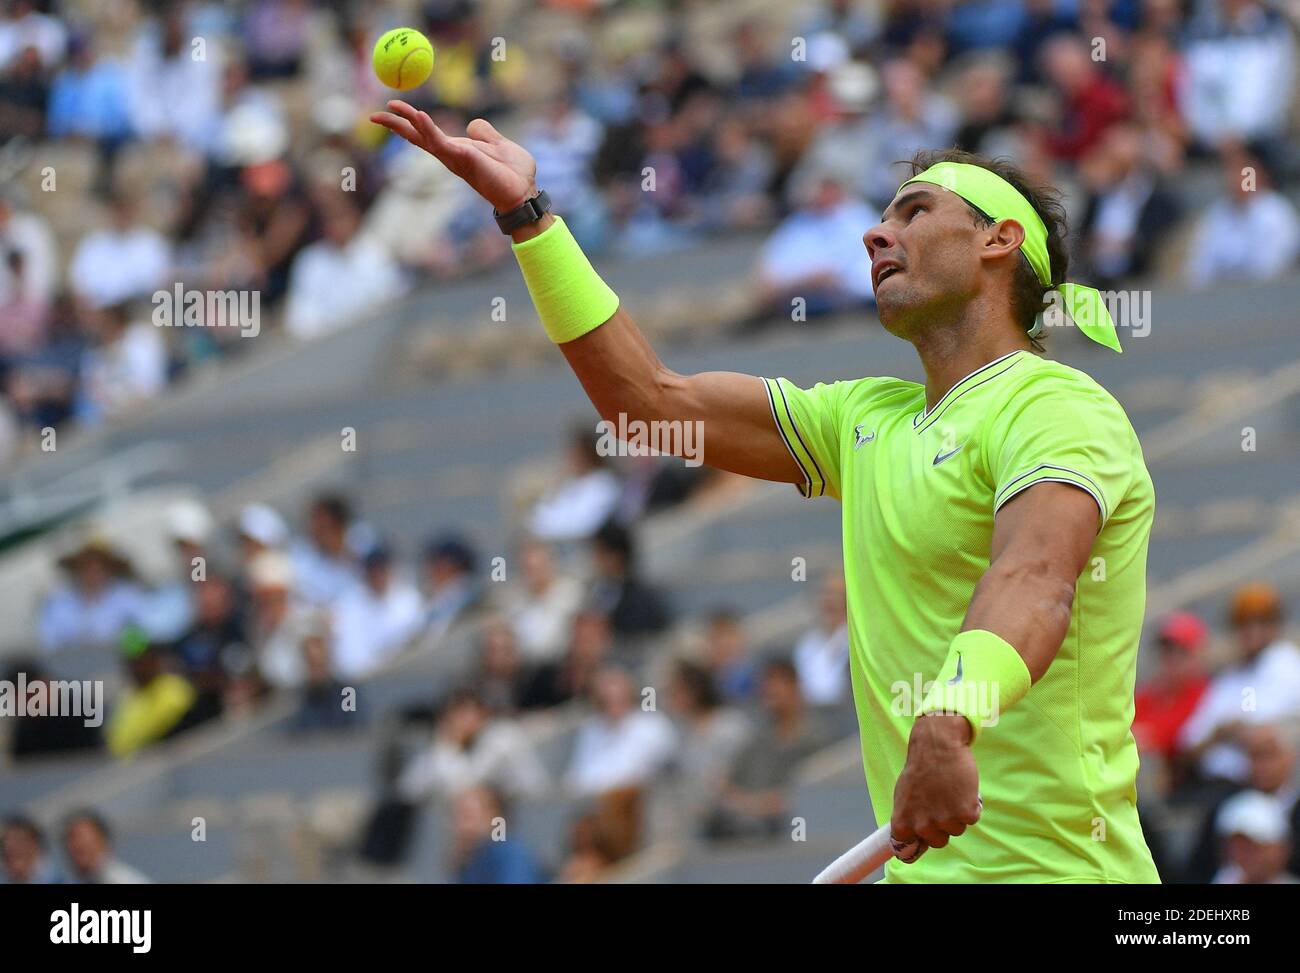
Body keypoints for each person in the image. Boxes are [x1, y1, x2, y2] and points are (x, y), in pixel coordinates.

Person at [372, 100, 1159, 882]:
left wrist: (948, 718)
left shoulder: (1056, 404)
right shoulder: (863, 419)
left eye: (914, 212)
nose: (875, 233)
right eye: (883, 215)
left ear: (999, 239)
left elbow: (1034, 577)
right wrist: (528, 216)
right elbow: (649, 407)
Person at [1177, 584, 1300, 787]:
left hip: (1264, 787)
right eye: (1243, 623)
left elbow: (1259, 728)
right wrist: (1221, 732)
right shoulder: (1230, 677)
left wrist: (1222, 732)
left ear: (1275, 624)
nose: (1252, 631)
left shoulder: (1286, 662)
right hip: (1210, 782)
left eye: (1261, 622)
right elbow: (1189, 741)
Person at [1132, 611, 1210, 765]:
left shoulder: (1205, 694)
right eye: (1166, 651)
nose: (1172, 659)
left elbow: (1177, 739)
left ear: (1198, 655)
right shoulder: (1147, 694)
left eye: (1181, 652)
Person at [448, 784, 546, 884]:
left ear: (494, 816)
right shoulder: (475, 858)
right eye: (455, 816)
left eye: (467, 815)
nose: (459, 825)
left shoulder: (510, 854)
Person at [61, 810, 149, 884]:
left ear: (102, 841)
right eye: (69, 840)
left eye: (80, 837)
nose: (74, 845)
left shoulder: (121, 880)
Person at [1, 815, 63, 884]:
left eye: (18, 841)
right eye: (4, 845)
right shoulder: (5, 876)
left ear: (36, 844)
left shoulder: (62, 873)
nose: (10, 848)